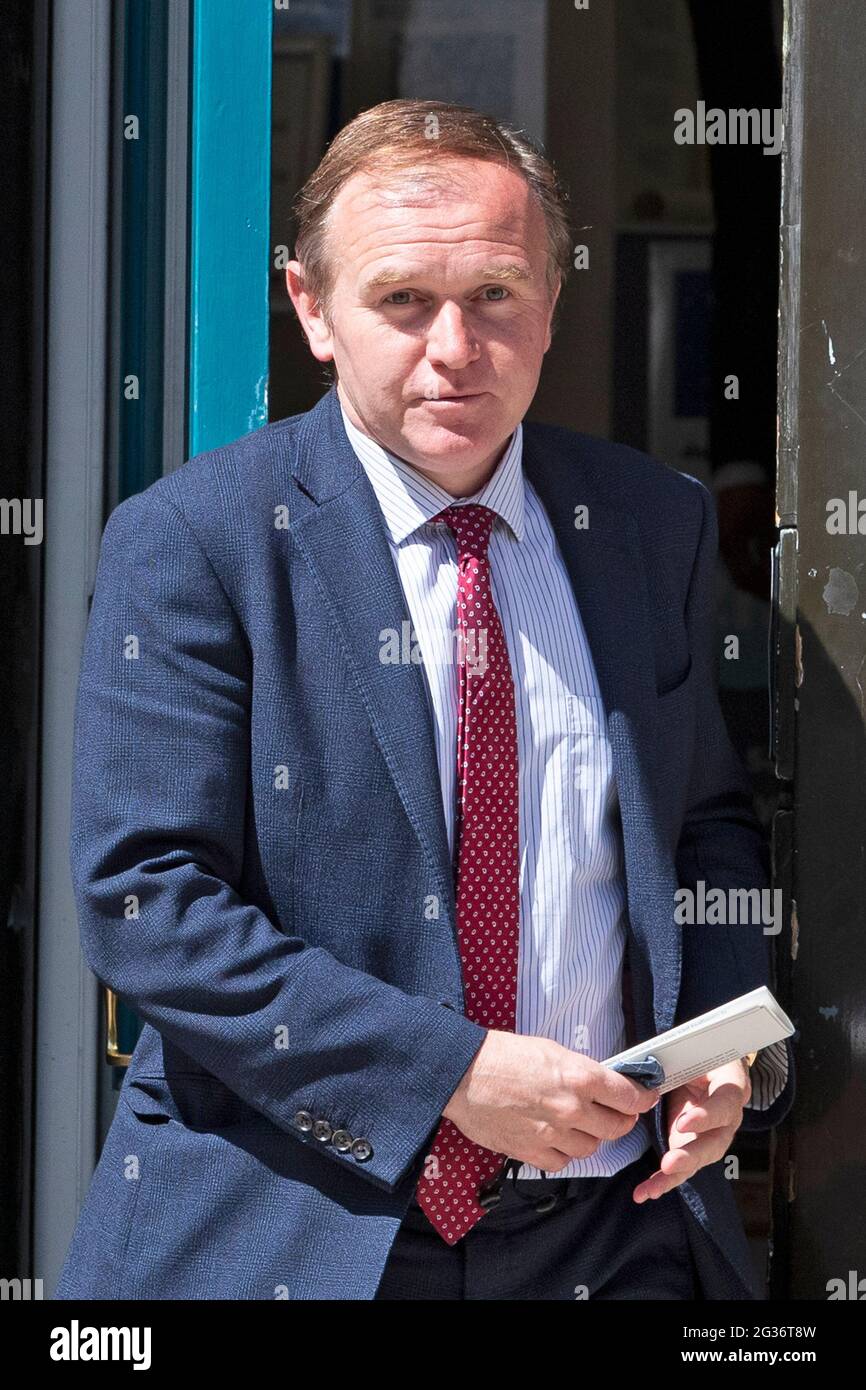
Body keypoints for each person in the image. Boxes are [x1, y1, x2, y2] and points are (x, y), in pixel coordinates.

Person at [55, 99, 794, 1302]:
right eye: (401, 299)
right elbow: (149, 906)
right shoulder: (194, 541)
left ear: (551, 300)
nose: (453, 346)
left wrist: (719, 1048)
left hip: (613, 1235)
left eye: (496, 293)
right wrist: (449, 1074)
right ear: (312, 310)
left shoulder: (645, 523)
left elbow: (704, 822)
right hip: (309, 1226)